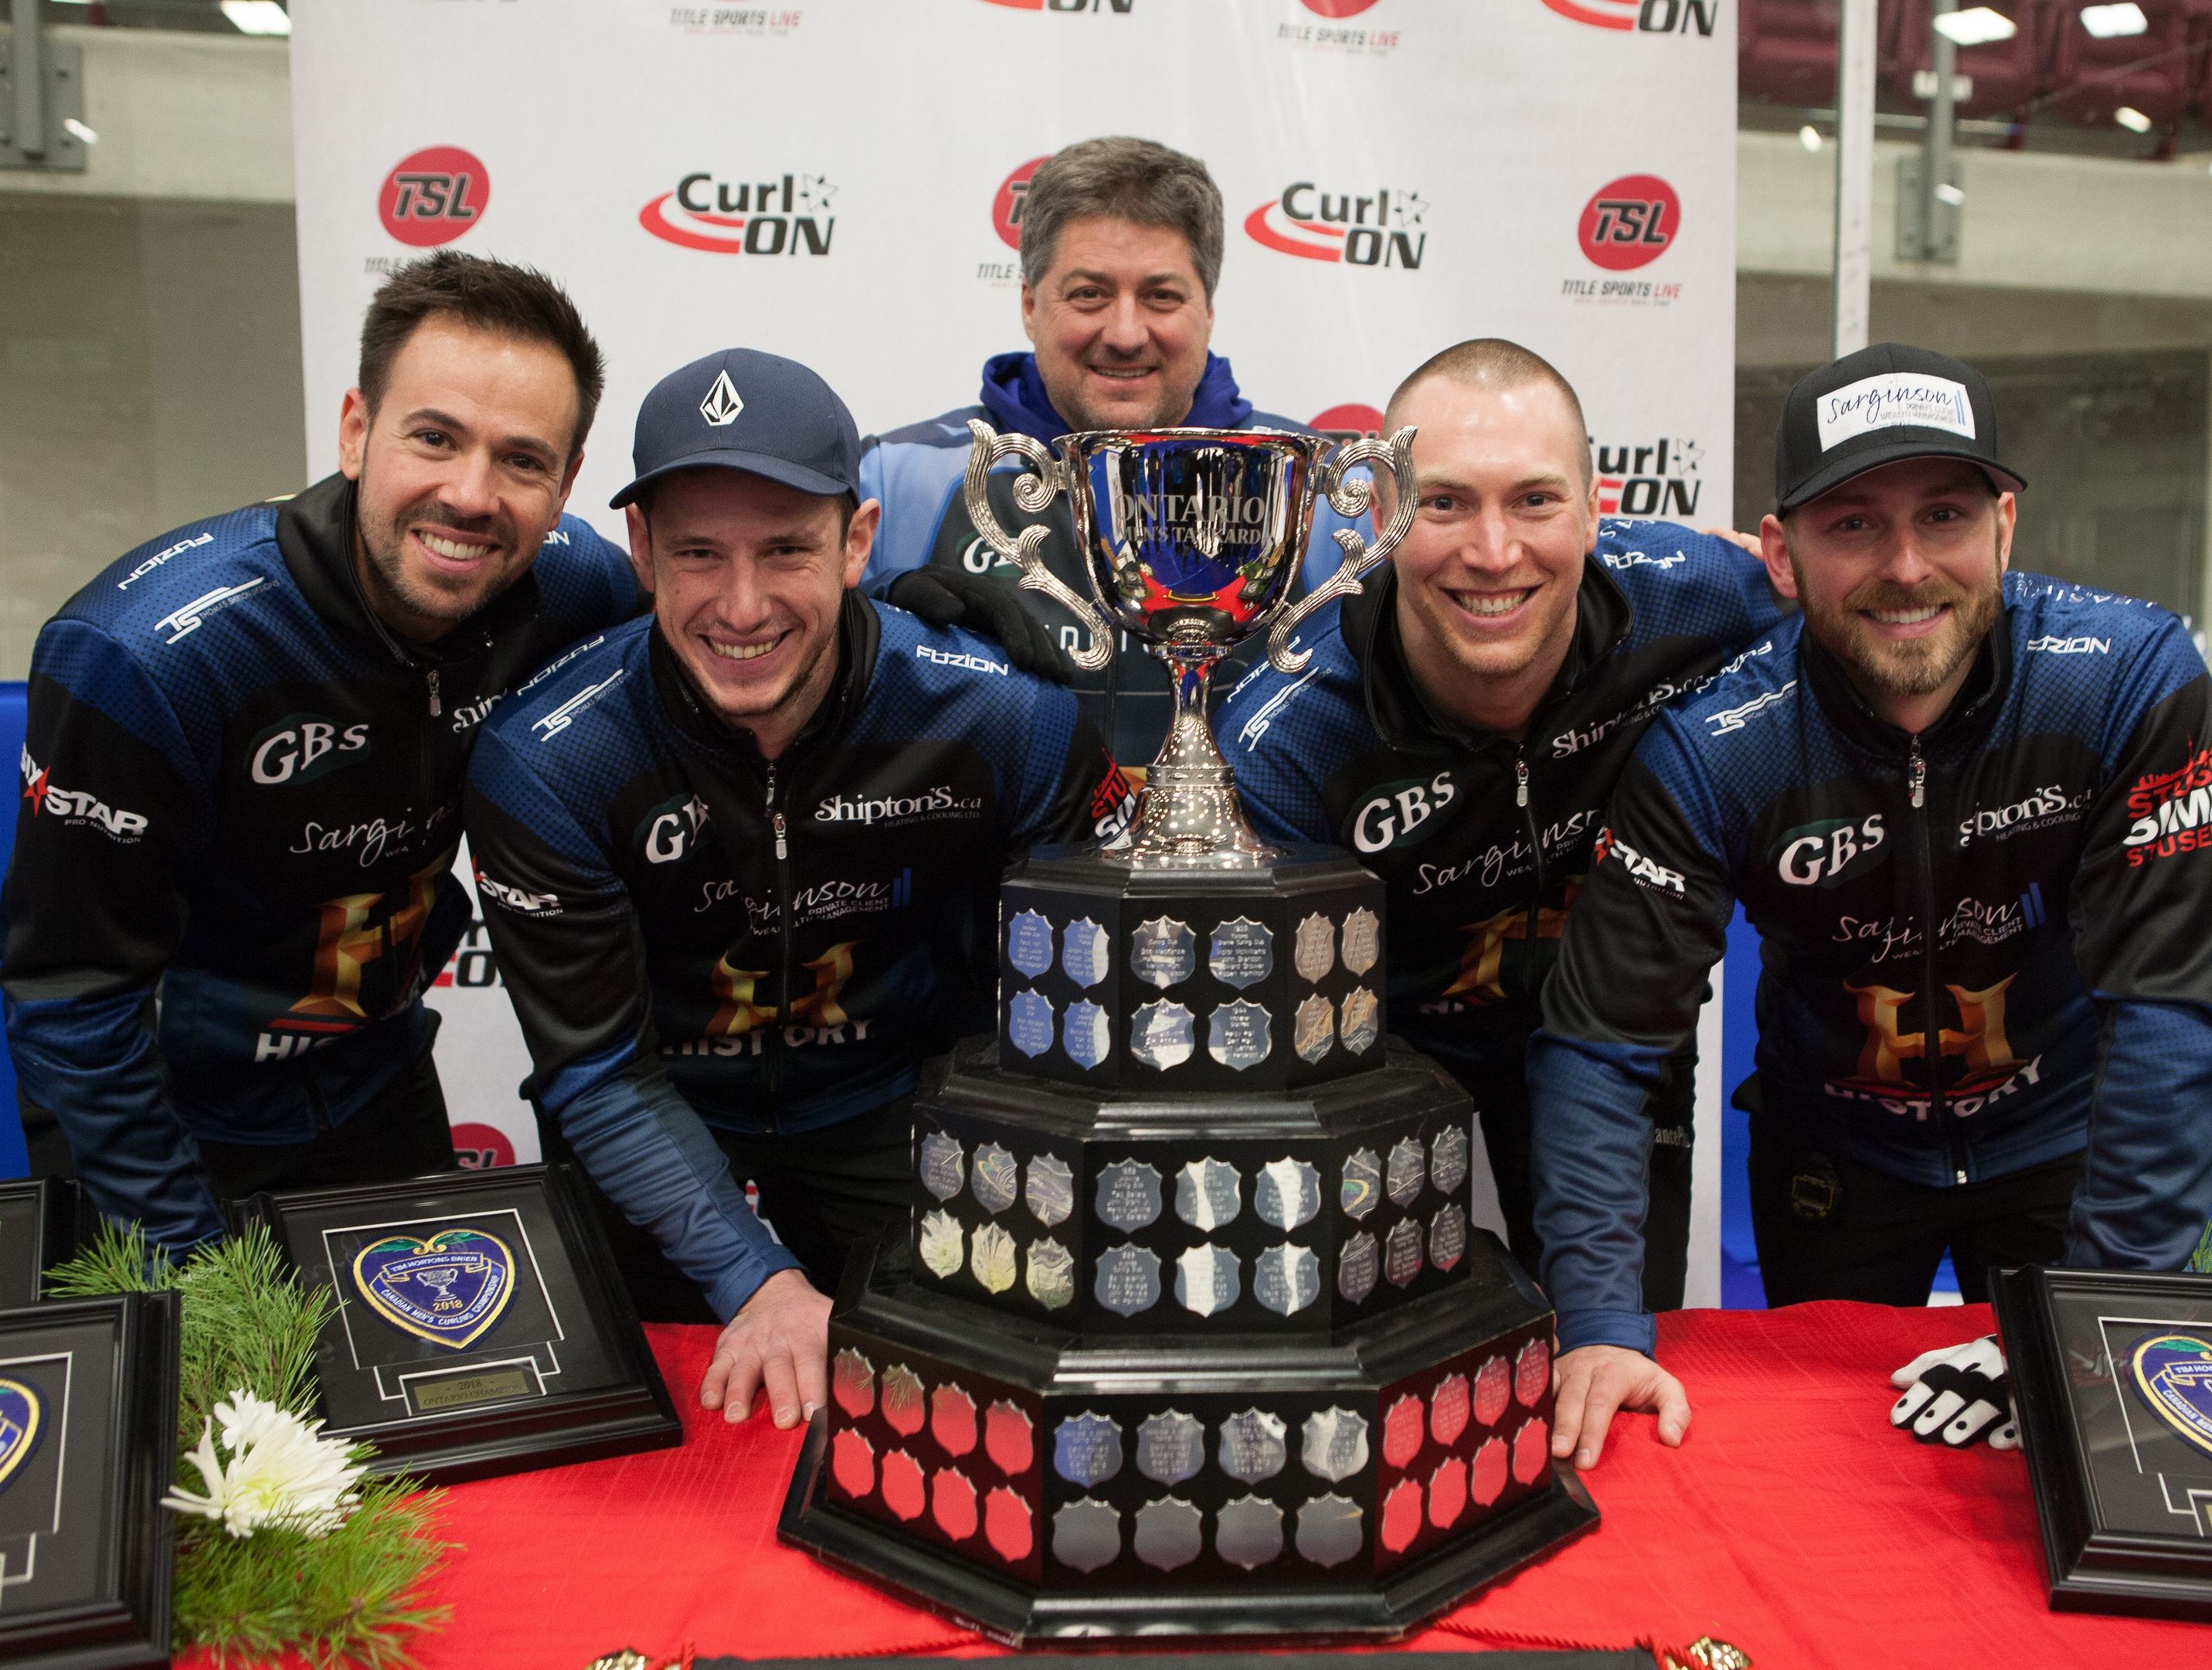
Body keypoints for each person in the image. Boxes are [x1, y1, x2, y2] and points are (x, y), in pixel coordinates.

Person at [1528, 342, 2212, 1469]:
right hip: (1836, 1156)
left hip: (2067, 1146)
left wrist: (2094, 1319)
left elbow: (2174, 1014)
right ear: (1781, 555)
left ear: (2006, 526)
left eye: (1946, 515)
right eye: (1853, 524)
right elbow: (1602, 1039)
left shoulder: (2125, 676)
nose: (1908, 566)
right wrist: (1596, 1325)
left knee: (2093, 1473)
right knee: (1835, 1479)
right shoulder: (1713, 746)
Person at [465, 349, 1127, 1431]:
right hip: (653, 1113)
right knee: (652, 1442)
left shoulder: (1004, 715)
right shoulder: (545, 757)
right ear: (639, 551)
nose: (742, 605)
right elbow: (596, 1068)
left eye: (786, 550)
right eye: (697, 553)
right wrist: (757, 1280)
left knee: (955, 1420)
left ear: (857, 542)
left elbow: (1069, 1014)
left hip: (892, 1105)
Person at [2, 251, 637, 1253]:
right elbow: (72, 1002)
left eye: (522, 460)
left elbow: (726, 637)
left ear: (566, 484)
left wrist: (916, 618)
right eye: (434, 437)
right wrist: (192, 1267)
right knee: (211, 1400)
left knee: (428, 1381)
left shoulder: (571, 587)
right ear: (356, 432)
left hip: (376, 1076)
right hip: (161, 1115)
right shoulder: (148, 655)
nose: (472, 496)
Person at [1218, 339, 1789, 1310]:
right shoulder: (1286, 737)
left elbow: (1876, 620)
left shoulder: (1704, 595)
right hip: (1383, 1053)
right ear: (1381, 515)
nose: (1493, 552)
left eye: (1535, 500)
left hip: (1612, 1026)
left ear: (1596, 505)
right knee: (1391, 1340)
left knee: (1615, 1333)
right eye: (1444, 503)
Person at [859, 134, 1366, 766]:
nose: (1125, 334)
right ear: (1028, 305)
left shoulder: (1315, 485)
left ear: (1208, 311)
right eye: (1089, 294)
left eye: (1161, 296)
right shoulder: (900, 477)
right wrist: (878, 612)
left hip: (1249, 859)